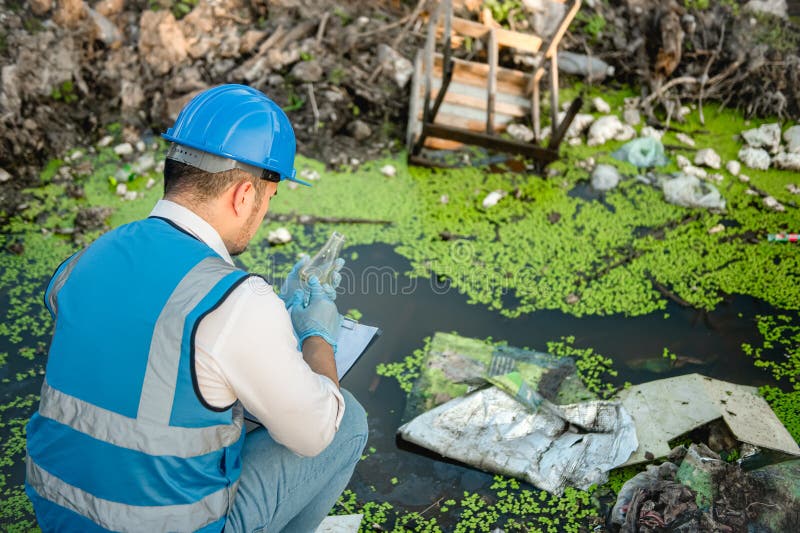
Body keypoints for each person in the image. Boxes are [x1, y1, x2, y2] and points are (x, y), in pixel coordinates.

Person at [25, 84, 368, 532]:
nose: (263, 212)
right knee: (348, 421)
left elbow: (145, 350)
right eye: (269, 199)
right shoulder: (237, 302)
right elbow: (315, 431)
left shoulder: (88, 257)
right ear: (244, 195)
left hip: (58, 515)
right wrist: (314, 334)